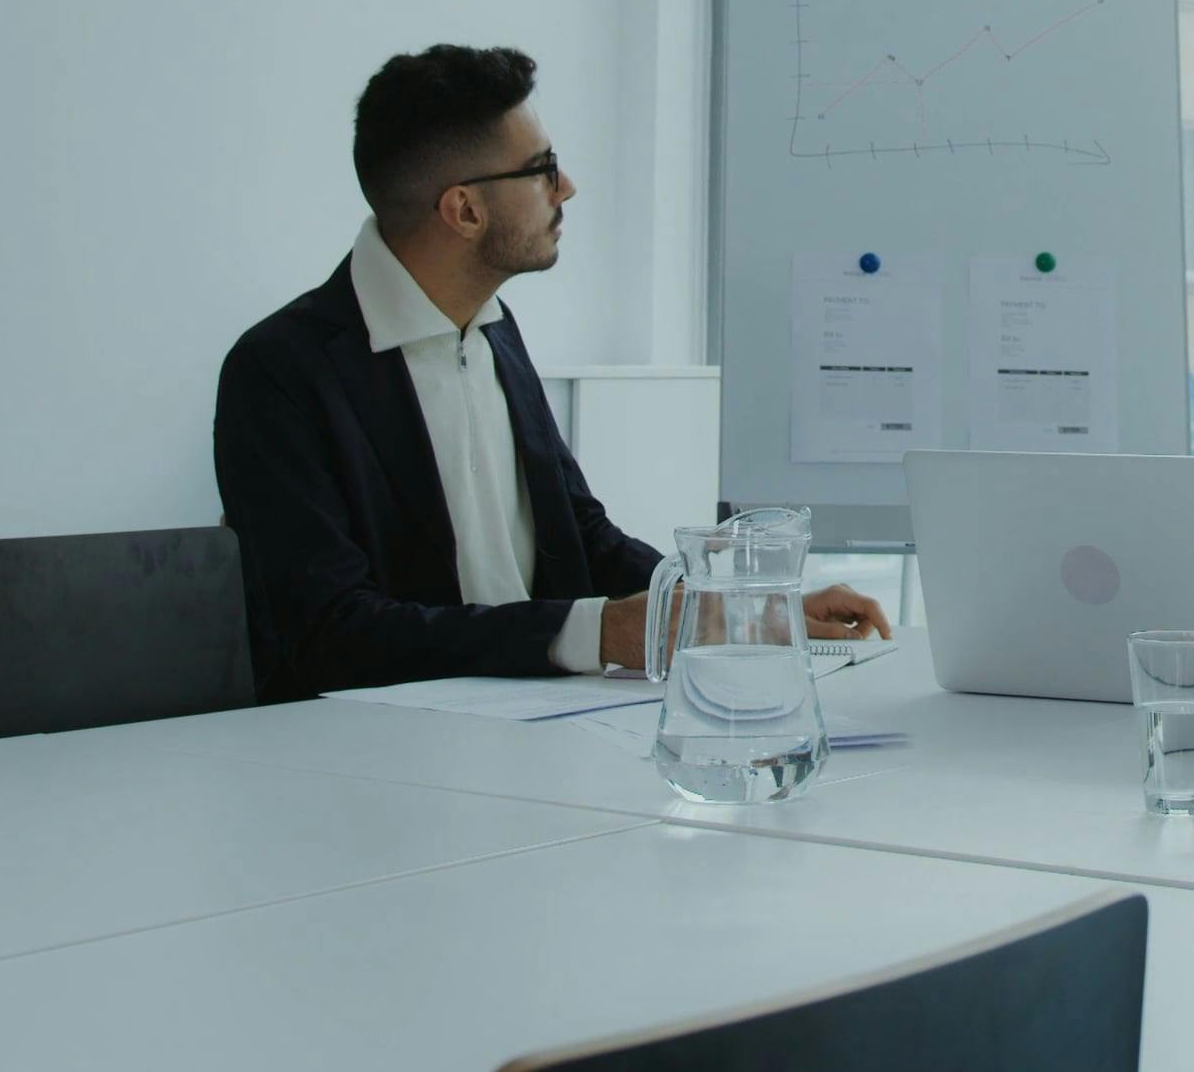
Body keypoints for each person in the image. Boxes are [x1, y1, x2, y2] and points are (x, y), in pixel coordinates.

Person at [217, 46, 886, 700]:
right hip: (361, 761)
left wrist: (752, 612)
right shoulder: (281, 371)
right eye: (543, 169)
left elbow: (582, 536)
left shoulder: (493, 329)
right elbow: (328, 634)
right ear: (465, 211)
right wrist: (597, 632)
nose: (566, 188)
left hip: (533, 731)